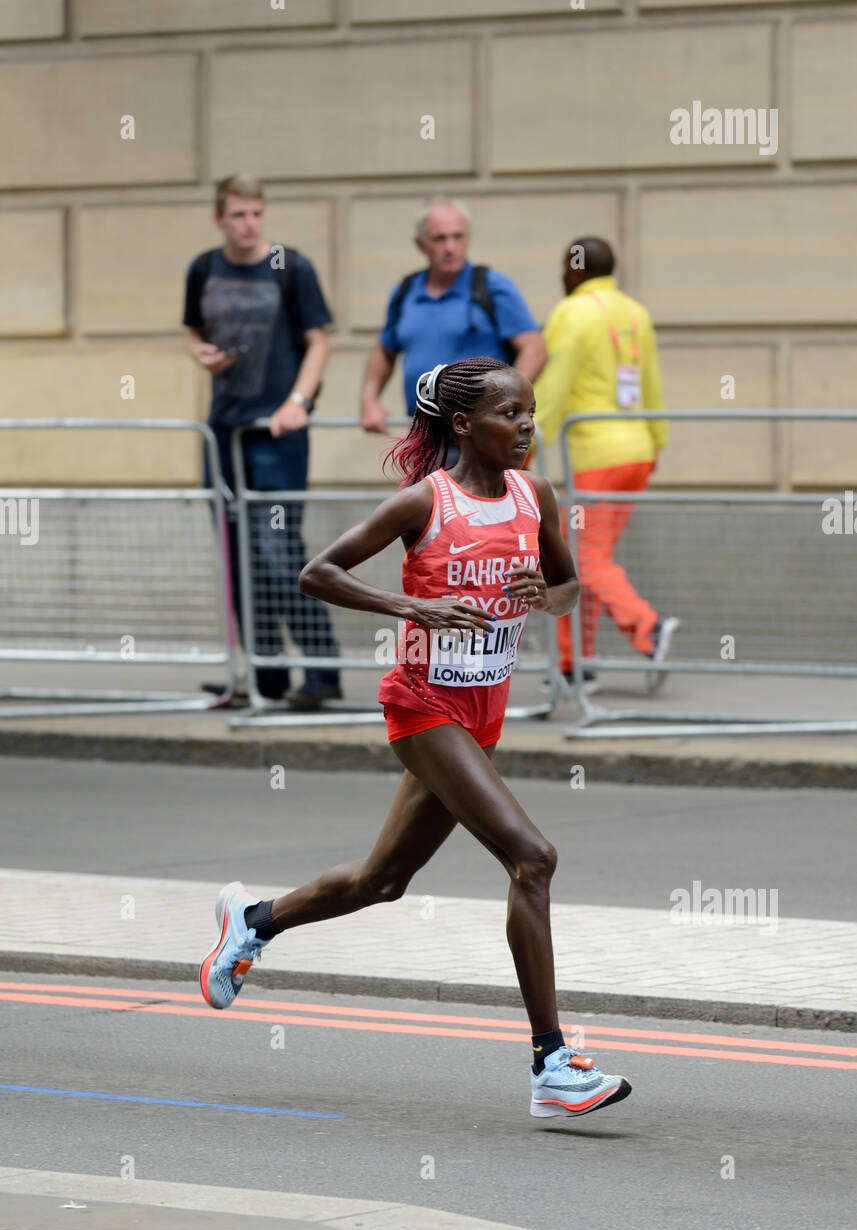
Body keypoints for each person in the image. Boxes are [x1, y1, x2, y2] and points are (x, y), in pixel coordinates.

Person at [199, 356, 632, 1121]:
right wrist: (412, 608)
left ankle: (254, 922)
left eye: (530, 412)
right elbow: (317, 572)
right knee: (532, 858)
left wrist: (548, 594)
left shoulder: (536, 495)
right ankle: (552, 1063)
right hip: (423, 706)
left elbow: (565, 588)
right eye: (510, 415)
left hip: (483, 713)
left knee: (382, 880)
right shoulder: (422, 503)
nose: (527, 426)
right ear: (464, 426)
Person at [183, 173, 343, 709]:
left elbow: (319, 342)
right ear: (219, 218)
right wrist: (201, 353)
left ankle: (322, 672)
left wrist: (297, 402)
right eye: (238, 215)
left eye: (256, 214)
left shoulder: (289, 267)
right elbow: (193, 334)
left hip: (275, 435)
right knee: (236, 554)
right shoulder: (204, 268)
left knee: (277, 552)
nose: (249, 225)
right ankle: (265, 673)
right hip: (224, 431)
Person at [535, 236, 679, 694]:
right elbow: (651, 382)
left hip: (596, 456)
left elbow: (554, 384)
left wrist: (527, 442)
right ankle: (576, 664)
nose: (562, 275)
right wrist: (657, 441)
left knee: (582, 559)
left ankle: (647, 628)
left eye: (564, 267)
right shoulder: (636, 312)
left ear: (575, 271)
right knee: (587, 556)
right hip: (636, 451)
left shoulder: (572, 313)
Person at [360, 197, 547, 459]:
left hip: (481, 437)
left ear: (468, 238)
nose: (450, 247)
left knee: (480, 500)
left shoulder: (492, 286)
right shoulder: (405, 291)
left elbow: (535, 349)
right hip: (425, 435)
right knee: (429, 500)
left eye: (457, 237)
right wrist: (369, 399)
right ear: (420, 244)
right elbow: (385, 349)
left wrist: (507, 404)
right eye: (440, 238)